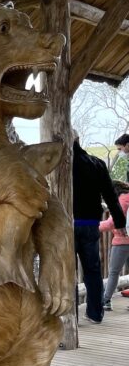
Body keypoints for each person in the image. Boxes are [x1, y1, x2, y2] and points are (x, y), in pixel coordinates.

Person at [72, 138, 127, 324]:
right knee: (93, 270)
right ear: (78, 140)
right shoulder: (96, 164)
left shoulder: (59, 163)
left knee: (66, 272)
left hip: (65, 226)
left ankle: (71, 315)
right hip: (90, 224)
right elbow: (110, 195)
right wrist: (120, 221)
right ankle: (95, 313)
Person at [100, 179, 129, 310]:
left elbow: (112, 223)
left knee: (113, 272)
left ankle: (105, 300)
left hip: (122, 241)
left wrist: (92, 225)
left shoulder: (122, 199)